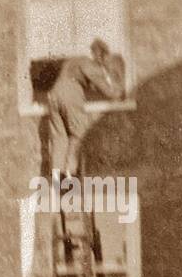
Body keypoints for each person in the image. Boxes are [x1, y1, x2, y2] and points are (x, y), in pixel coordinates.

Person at [46, 38, 124, 183]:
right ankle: (71, 176)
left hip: (54, 93)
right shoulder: (88, 64)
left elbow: (90, 85)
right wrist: (118, 88)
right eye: (105, 57)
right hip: (70, 92)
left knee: (59, 138)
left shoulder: (75, 61)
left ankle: (56, 185)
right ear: (100, 54)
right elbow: (109, 92)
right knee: (80, 132)